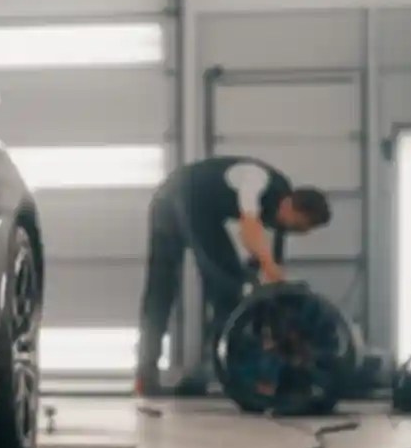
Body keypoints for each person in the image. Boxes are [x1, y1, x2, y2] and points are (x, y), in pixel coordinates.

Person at [135, 156, 333, 396]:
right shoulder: (258, 180)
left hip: (165, 200)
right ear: (289, 205)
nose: (295, 232)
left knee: (161, 289)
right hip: (189, 197)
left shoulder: (278, 208)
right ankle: (212, 373)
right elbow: (249, 231)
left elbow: (264, 255)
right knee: (226, 290)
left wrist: (263, 275)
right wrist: (268, 270)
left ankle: (145, 375)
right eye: (298, 227)